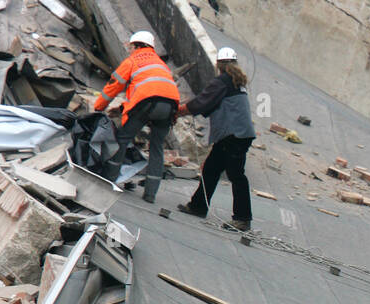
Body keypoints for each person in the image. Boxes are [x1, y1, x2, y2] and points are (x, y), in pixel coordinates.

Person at [93, 31, 180, 203]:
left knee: (123, 139)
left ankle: (109, 179)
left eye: (131, 46)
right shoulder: (161, 64)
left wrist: (98, 107)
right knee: (157, 147)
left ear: (135, 46)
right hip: (170, 105)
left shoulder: (133, 61)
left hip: (147, 101)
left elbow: (114, 85)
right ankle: (150, 194)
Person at [177, 46, 256, 231]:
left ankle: (243, 218)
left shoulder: (222, 81)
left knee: (236, 175)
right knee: (211, 169)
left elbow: (202, 102)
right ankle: (198, 206)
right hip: (237, 135)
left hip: (234, 136)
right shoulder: (237, 82)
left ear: (218, 64)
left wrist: (180, 111)